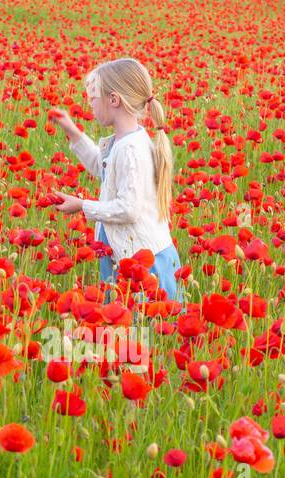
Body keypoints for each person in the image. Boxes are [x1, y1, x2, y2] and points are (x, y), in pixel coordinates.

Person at [50, 58, 181, 303]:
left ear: (113, 100)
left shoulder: (130, 149)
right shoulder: (128, 141)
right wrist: (72, 130)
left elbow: (128, 209)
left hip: (143, 265)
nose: (89, 104)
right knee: (128, 332)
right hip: (127, 256)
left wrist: (81, 205)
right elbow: (103, 168)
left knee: (146, 333)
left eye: (93, 97)